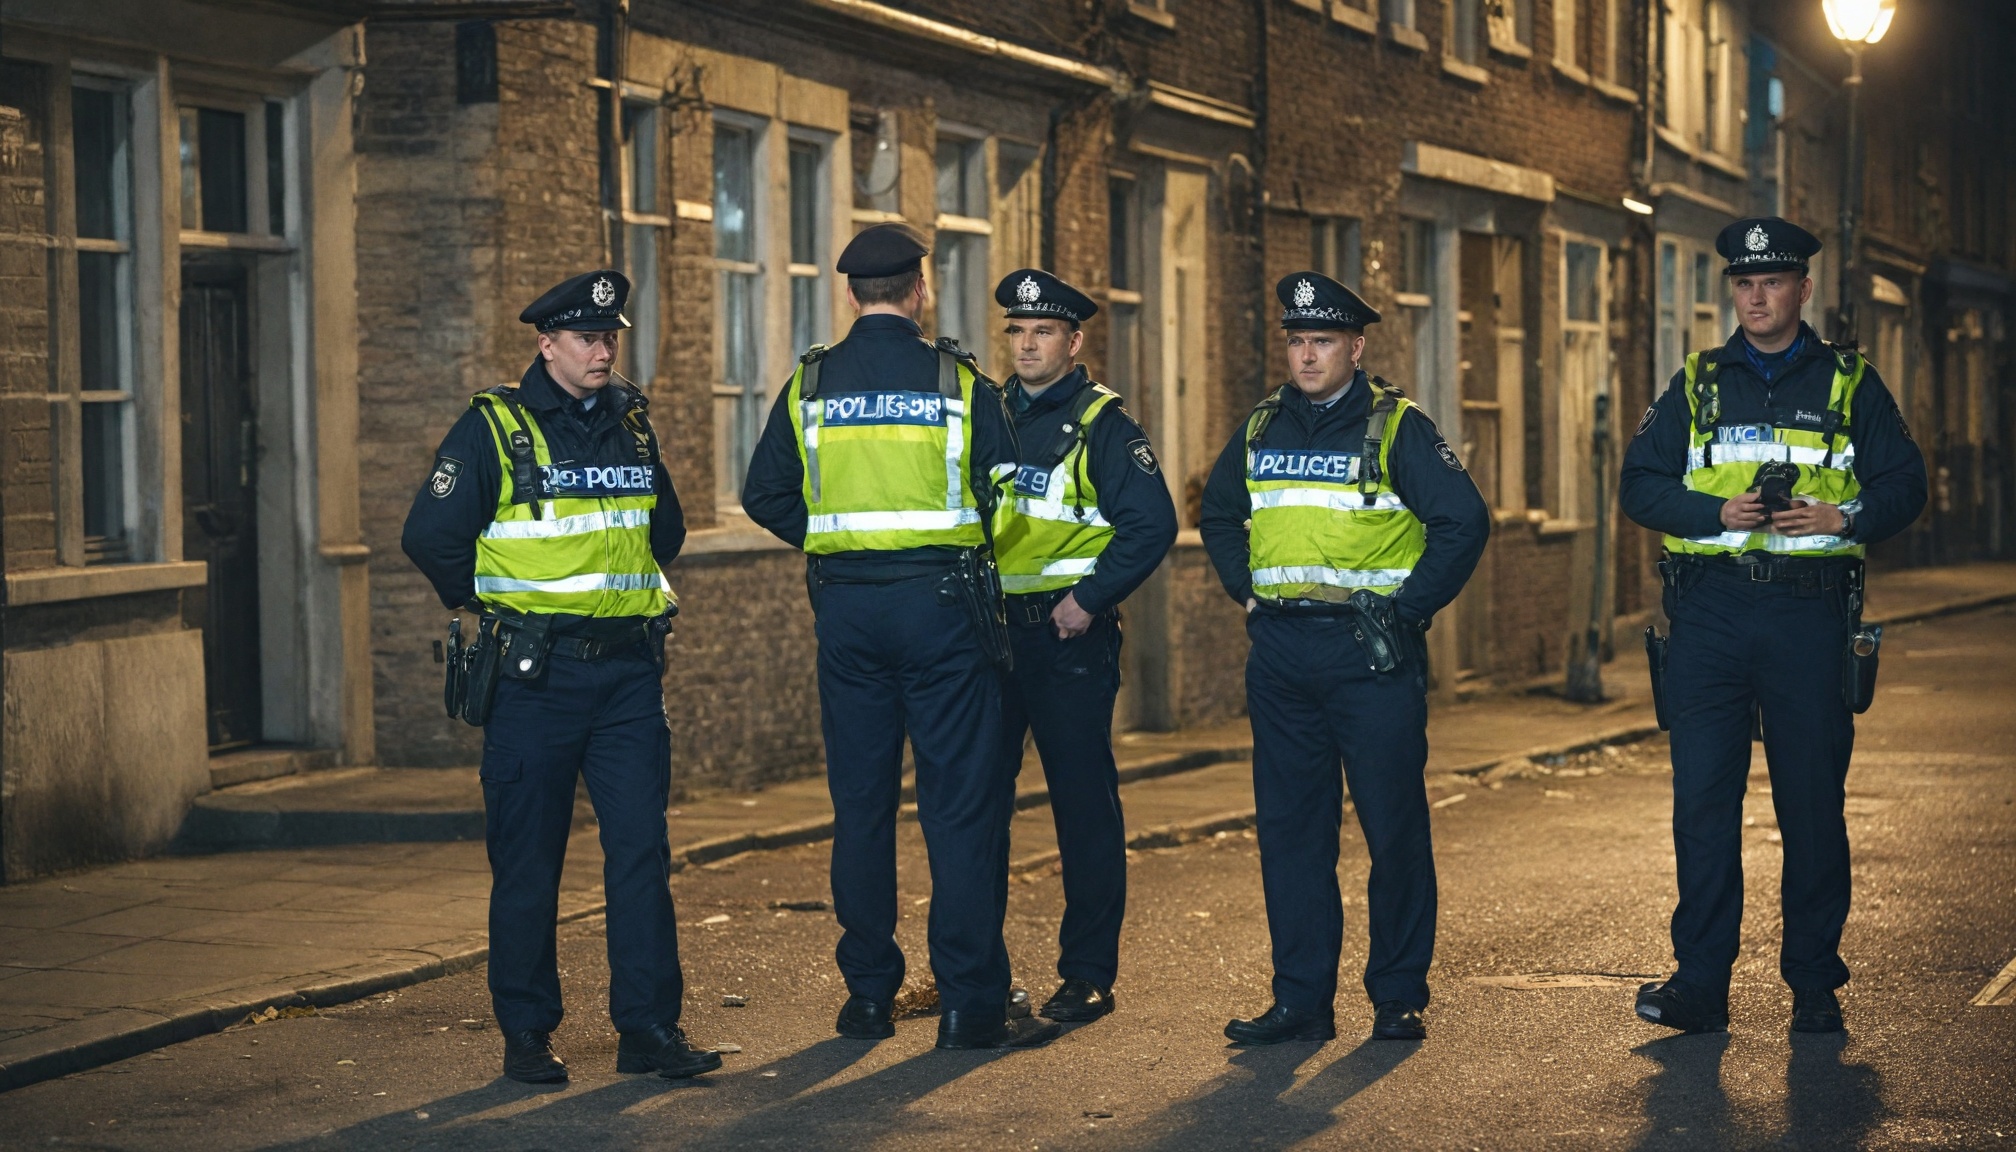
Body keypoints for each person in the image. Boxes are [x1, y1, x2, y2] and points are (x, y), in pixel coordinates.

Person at [741, 224, 1058, 1050]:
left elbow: (764, 493)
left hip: (848, 614)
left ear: (851, 296)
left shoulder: (810, 383)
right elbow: (1006, 492)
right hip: (944, 610)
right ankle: (967, 1003)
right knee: (957, 808)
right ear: (920, 291)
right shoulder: (958, 381)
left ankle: (869, 997)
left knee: (862, 807)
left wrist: (836, 538)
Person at [400, 270, 721, 1085]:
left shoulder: (633, 425)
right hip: (534, 680)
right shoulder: (493, 427)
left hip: (625, 681)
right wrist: (504, 606)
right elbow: (431, 537)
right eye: (587, 338)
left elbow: (667, 532)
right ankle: (527, 1033)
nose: (603, 350)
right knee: (529, 860)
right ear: (547, 345)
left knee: (641, 856)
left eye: (610, 337)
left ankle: (648, 1029)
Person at [1620, 217, 1927, 1035]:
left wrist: (1845, 513)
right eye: (1743, 285)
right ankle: (1701, 985)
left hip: (1807, 611)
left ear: (1803, 290)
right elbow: (1639, 486)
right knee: (1703, 807)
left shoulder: (1850, 384)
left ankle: (1814, 986)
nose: (1755, 298)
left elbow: (1907, 484)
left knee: (1812, 805)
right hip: (1710, 611)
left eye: (1771, 283)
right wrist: (1713, 509)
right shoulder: (1694, 384)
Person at [1199, 271, 1489, 1044]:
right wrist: (1245, 588)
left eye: (1321, 341)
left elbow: (1464, 522)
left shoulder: (1399, 428)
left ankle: (1398, 993)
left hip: (1370, 655)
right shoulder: (1262, 427)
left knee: (1392, 829)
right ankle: (1301, 1001)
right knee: (1292, 834)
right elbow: (1219, 511)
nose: (1306, 356)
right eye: (1297, 341)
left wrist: (1407, 609)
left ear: (1355, 347)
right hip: (1283, 655)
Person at [986, 269, 1178, 1023]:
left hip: (1068, 641)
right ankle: (984, 975)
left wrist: (1088, 599)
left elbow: (1151, 524)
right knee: (978, 809)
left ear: (1073, 341)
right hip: (991, 640)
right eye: (1017, 331)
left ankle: (1089, 973)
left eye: (1042, 332)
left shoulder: (1103, 423)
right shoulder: (986, 413)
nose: (1027, 344)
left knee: (1081, 809)